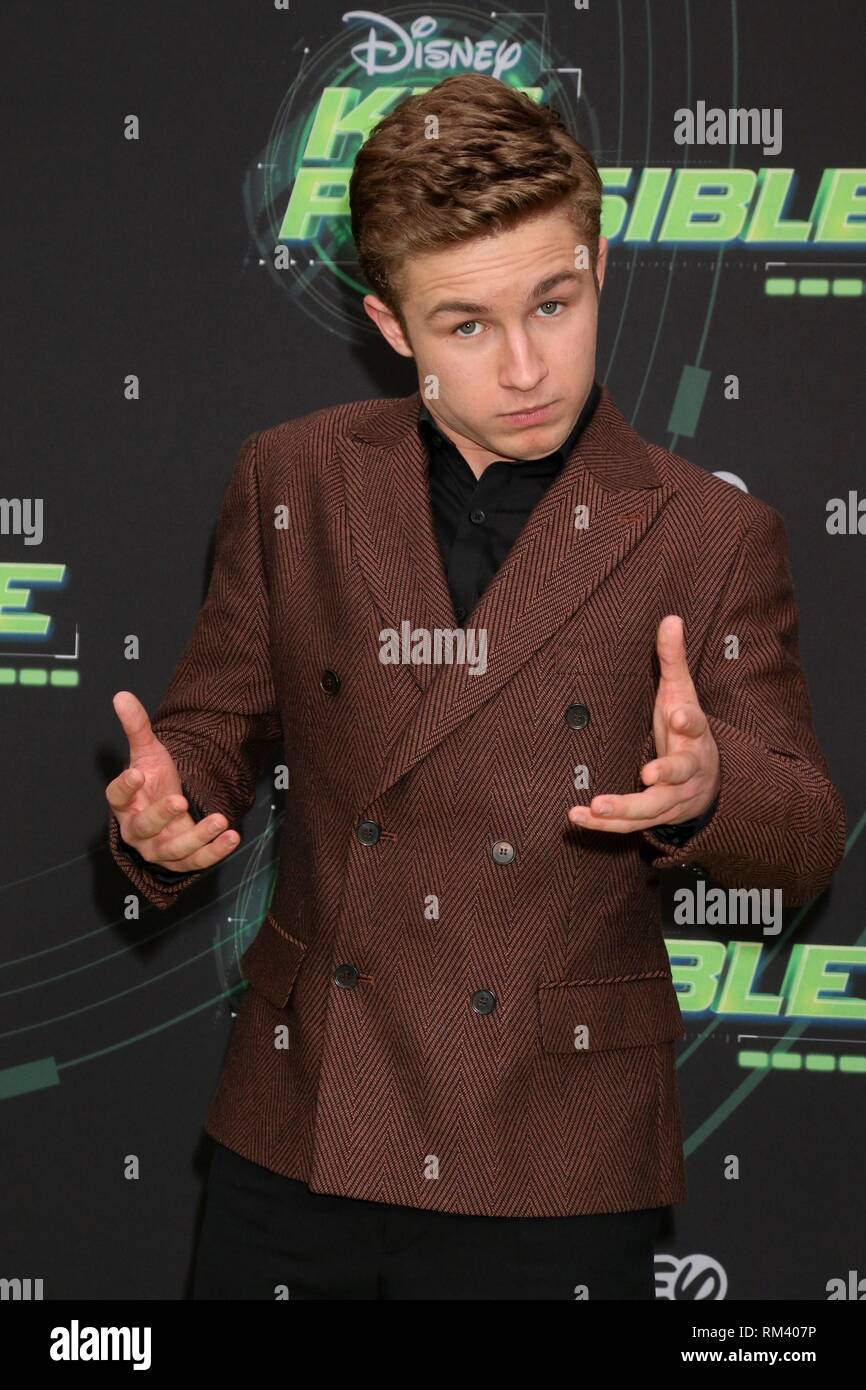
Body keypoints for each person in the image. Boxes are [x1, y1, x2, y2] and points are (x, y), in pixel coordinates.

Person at [105, 74, 845, 1300]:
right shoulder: (293, 476)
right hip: (302, 1129)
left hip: (549, 1157)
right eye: (464, 326)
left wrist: (711, 790)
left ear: (597, 264)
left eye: (552, 304)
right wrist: (168, 805)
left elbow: (806, 833)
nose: (522, 368)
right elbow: (210, 725)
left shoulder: (711, 532)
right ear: (389, 325)